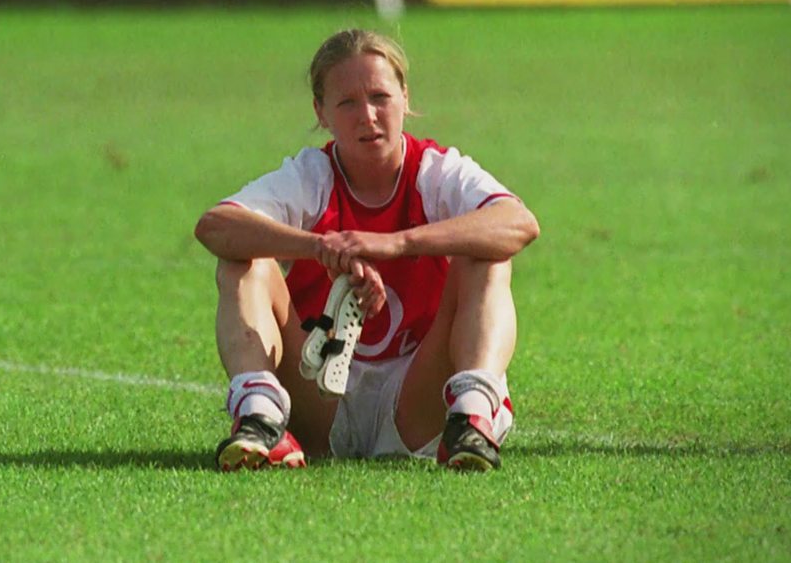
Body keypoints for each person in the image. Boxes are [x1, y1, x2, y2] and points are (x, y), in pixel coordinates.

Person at [194, 29, 539, 471]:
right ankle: (261, 420)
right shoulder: (311, 176)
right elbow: (216, 226)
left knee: (486, 254)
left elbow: (518, 222)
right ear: (321, 111)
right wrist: (320, 247)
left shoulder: (435, 172)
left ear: (404, 98)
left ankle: (469, 419)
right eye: (347, 103)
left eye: (380, 97)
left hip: (419, 398)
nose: (368, 116)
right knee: (246, 261)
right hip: (320, 394)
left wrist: (397, 244)